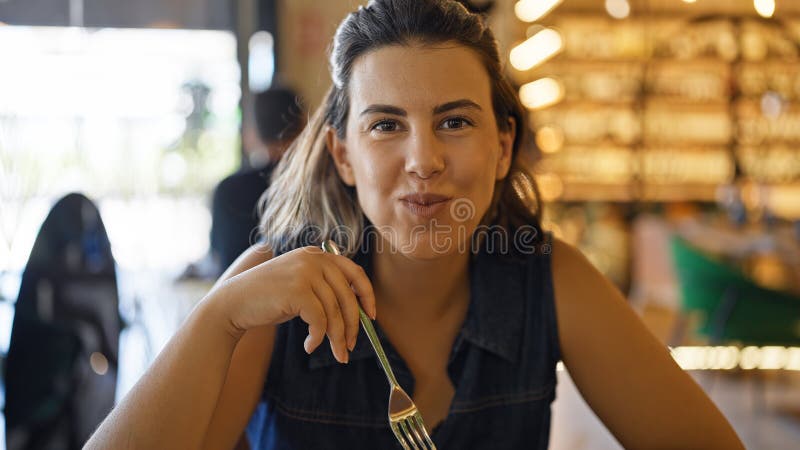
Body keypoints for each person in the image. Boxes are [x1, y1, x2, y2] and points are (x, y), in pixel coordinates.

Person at [86, 1, 745, 448]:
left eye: (455, 122)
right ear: (343, 154)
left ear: (503, 146)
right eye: (386, 125)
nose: (424, 161)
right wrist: (219, 317)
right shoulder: (271, 290)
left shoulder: (549, 281)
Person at [209, 86, 305, 274]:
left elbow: (218, 258)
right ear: (303, 126)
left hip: (236, 300)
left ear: (251, 134)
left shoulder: (227, 191)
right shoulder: (318, 185)